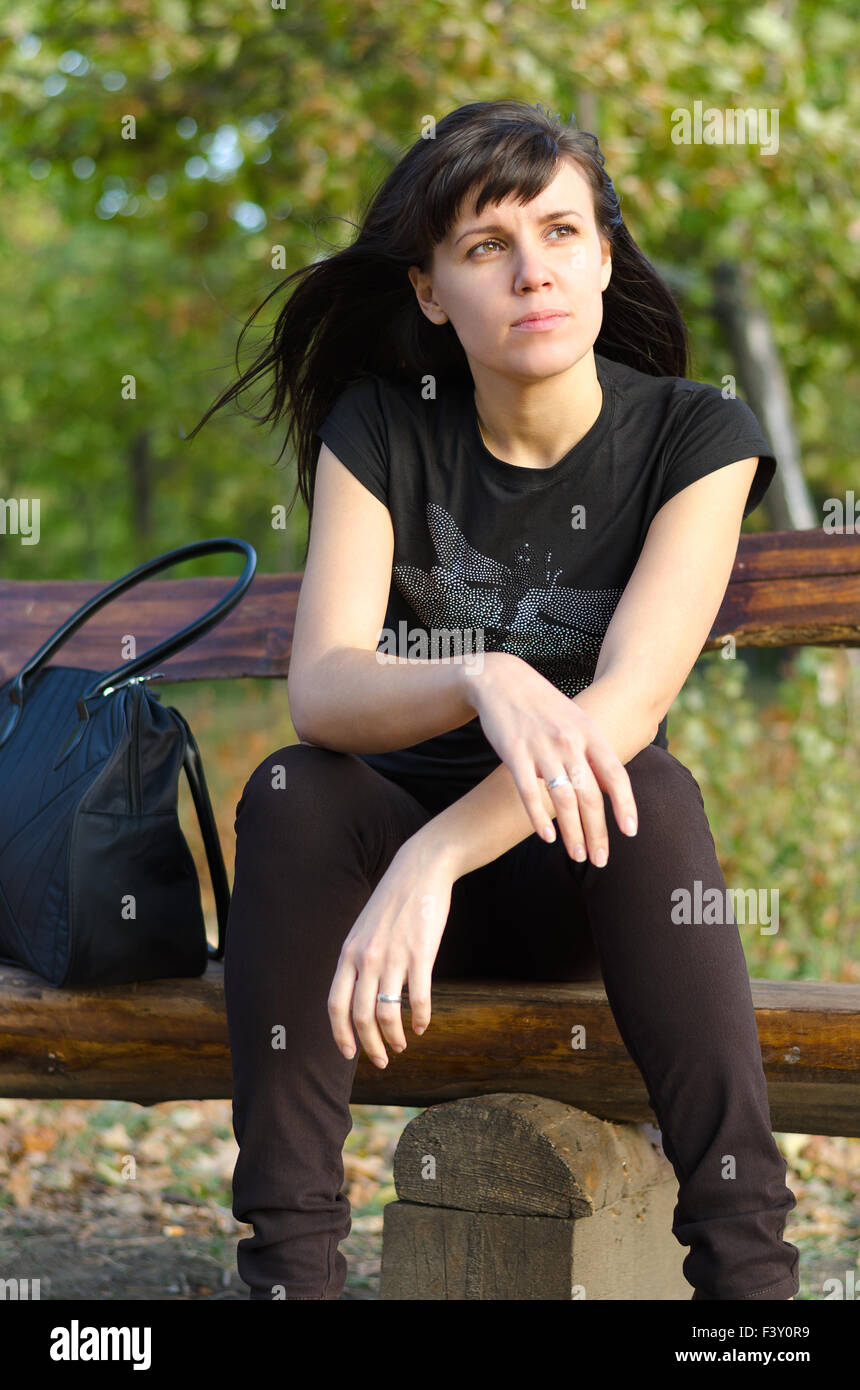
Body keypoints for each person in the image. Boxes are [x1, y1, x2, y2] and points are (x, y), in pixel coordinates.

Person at [188, 99, 800, 1302]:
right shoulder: (380, 429)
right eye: (486, 247)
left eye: (562, 233)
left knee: (647, 785)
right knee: (290, 788)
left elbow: (622, 705)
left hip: (579, 887)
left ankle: (750, 1296)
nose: (534, 272)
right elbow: (323, 688)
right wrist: (484, 671)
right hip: (374, 928)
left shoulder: (694, 434)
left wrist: (434, 856)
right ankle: (290, 1278)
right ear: (429, 291)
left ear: (605, 256)